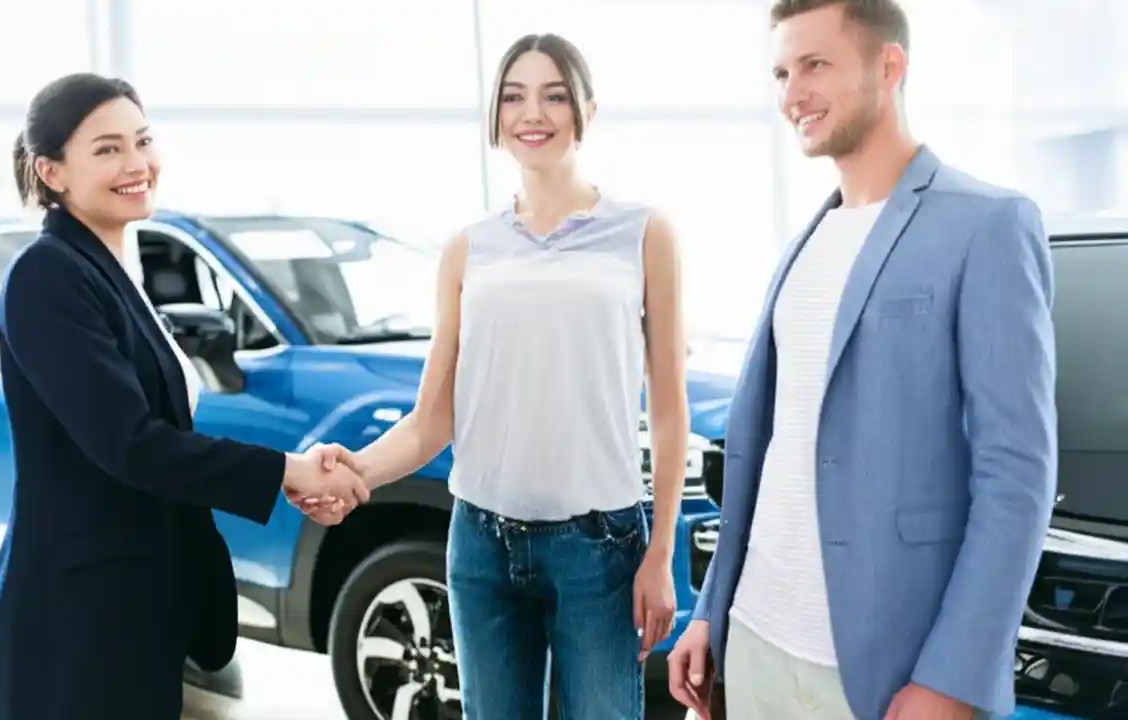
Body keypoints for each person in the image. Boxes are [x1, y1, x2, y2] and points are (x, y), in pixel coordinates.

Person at [667, 1, 1057, 719]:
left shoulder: (989, 224)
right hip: (753, 644)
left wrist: (954, 678)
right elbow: (766, 455)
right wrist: (709, 614)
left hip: (880, 667)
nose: (791, 94)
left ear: (889, 66)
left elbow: (1017, 476)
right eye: (781, 72)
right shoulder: (805, 243)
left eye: (815, 64)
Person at [294, 33, 690, 719]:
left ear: (586, 111)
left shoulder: (643, 233)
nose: (531, 113)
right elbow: (431, 421)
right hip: (482, 541)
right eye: (513, 97)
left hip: (597, 545)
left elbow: (670, 410)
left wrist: (659, 553)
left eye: (553, 95)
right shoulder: (468, 248)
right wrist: (353, 472)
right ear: (496, 117)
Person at [0, 73, 369, 720]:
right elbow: (130, 444)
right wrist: (287, 472)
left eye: (142, 140)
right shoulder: (45, 276)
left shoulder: (111, 271)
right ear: (52, 172)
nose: (136, 164)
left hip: (131, 611)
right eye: (107, 150)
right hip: (74, 625)